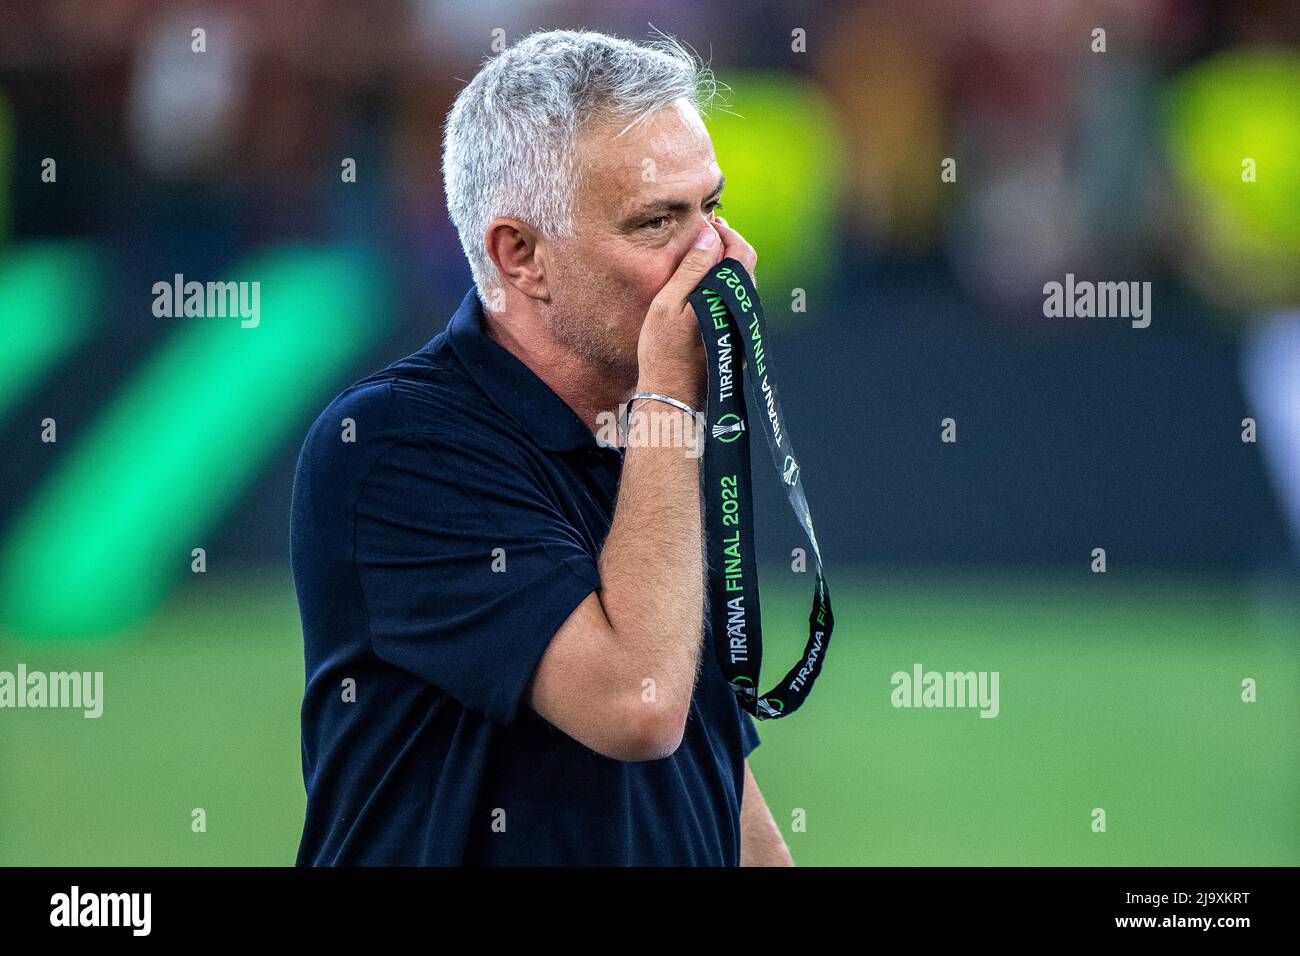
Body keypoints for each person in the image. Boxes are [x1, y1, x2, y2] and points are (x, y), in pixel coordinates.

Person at [291, 28, 791, 865]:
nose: (714, 257)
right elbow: (639, 706)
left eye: (710, 206)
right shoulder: (392, 447)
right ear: (520, 256)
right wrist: (671, 403)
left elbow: (708, 767)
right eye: (657, 221)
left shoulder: (640, 433)